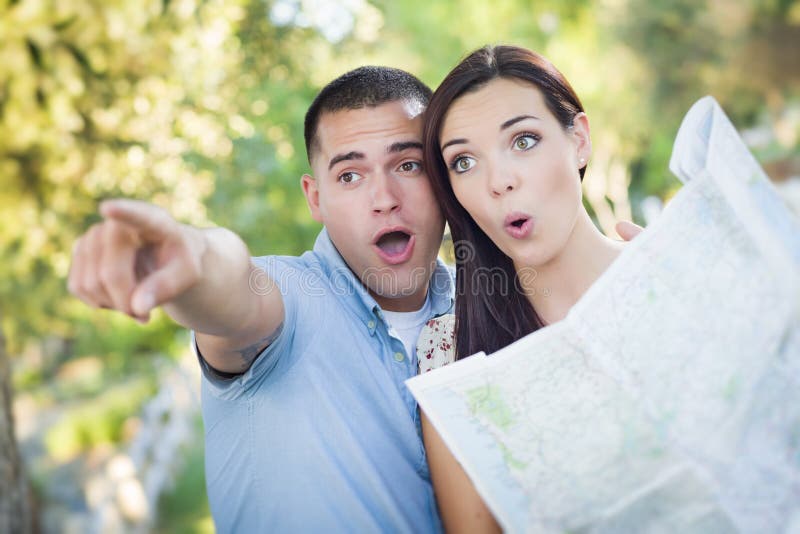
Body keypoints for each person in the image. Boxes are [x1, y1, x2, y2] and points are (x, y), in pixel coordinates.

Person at [68, 66, 453, 532]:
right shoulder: (291, 297)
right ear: (315, 198)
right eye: (350, 175)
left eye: (408, 165)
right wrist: (192, 257)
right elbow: (235, 290)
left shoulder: (488, 310)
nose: (384, 198)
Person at [416, 44, 631, 532]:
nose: (499, 181)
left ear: (579, 140)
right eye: (464, 162)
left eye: (524, 141)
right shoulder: (450, 350)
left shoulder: (676, 275)